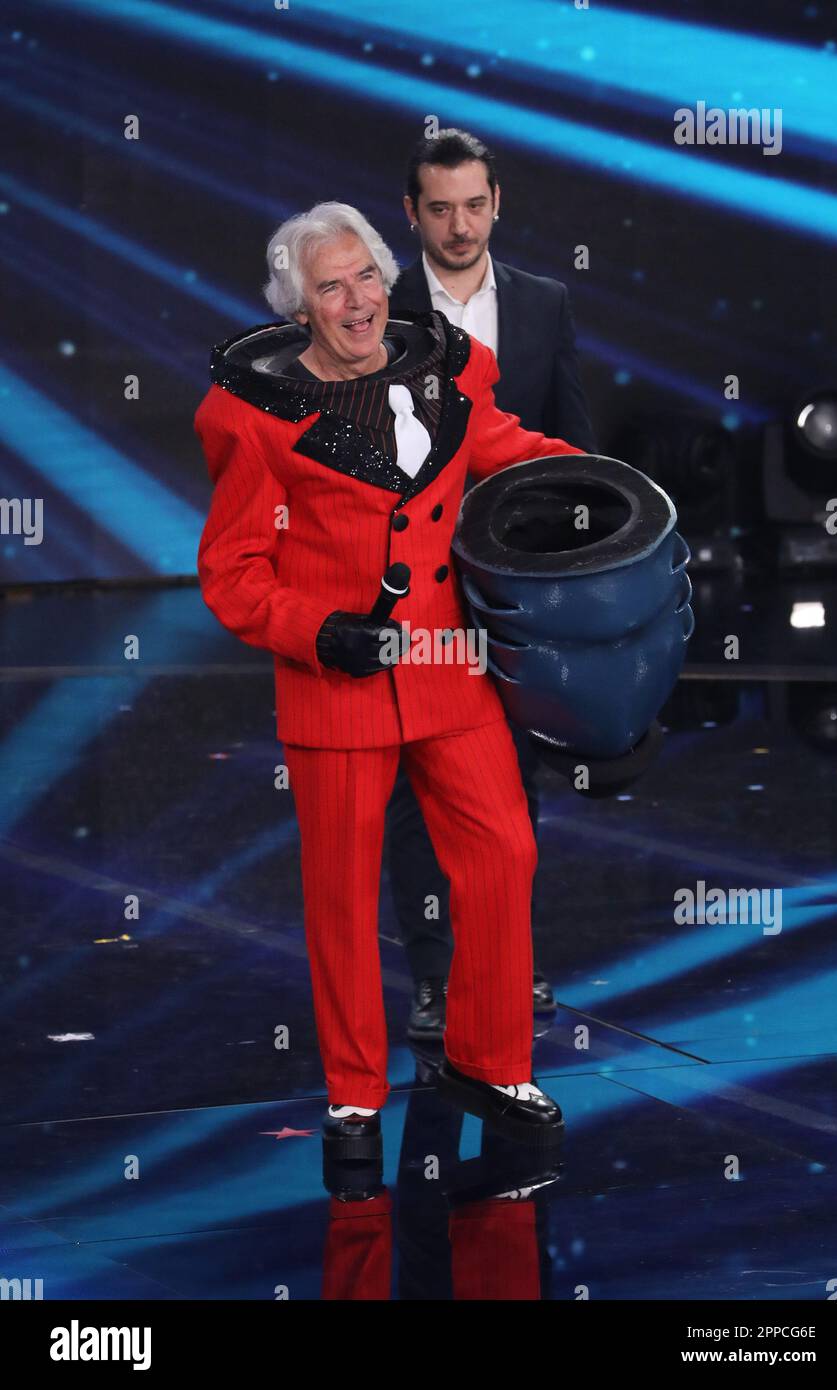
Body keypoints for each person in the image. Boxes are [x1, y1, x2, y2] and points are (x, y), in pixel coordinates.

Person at [194, 202, 584, 1152]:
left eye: (366, 276)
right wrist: (320, 631)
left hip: (452, 674)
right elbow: (232, 573)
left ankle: (492, 1060)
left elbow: (508, 451)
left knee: (504, 853)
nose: (358, 301)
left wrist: (601, 485)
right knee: (341, 895)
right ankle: (354, 1092)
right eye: (330, 287)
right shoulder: (256, 420)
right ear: (300, 312)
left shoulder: (448, 373)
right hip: (339, 689)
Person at [387, 129, 597, 1038]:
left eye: (474, 205)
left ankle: (509, 962)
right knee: (415, 780)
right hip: (411, 586)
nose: (460, 225)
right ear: (411, 213)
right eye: (440, 209)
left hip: (515, 585)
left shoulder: (545, 305)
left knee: (513, 778)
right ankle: (435, 977)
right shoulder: (377, 309)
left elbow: (573, 440)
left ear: (498, 203)